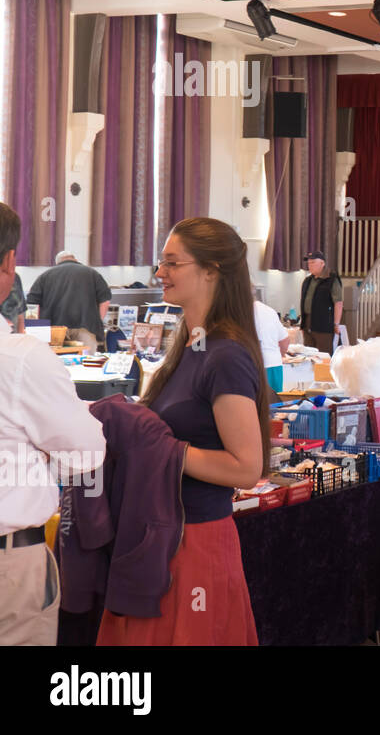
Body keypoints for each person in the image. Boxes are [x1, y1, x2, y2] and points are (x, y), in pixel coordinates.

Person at [98, 217, 269, 645]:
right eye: (161, 263)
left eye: (172, 263)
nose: (160, 273)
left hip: (195, 544)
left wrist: (161, 448)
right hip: (162, 537)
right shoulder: (192, 345)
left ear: (211, 270)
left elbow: (247, 468)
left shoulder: (225, 357)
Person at [0, 202, 105, 645]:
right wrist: (40, 452)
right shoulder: (21, 359)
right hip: (9, 567)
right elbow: (86, 454)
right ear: (9, 264)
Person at [27, 250, 111, 348]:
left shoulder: (45, 276)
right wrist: (97, 322)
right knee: (86, 356)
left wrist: (38, 333)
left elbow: (32, 304)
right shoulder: (93, 273)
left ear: (57, 262)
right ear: (75, 259)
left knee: (56, 357)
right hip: (86, 328)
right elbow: (105, 301)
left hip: (54, 330)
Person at [299, 249, 342, 353]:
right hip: (308, 322)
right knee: (308, 354)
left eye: (313, 262)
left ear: (322, 263)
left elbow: (338, 303)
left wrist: (336, 324)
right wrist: (303, 324)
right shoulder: (307, 280)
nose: (310, 265)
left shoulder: (331, 279)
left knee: (323, 354)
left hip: (324, 324)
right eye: (309, 263)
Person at [252, 299, 290, 393]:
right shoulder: (268, 310)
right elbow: (285, 340)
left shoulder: (236, 311)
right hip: (273, 363)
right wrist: (280, 354)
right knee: (274, 400)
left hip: (251, 365)